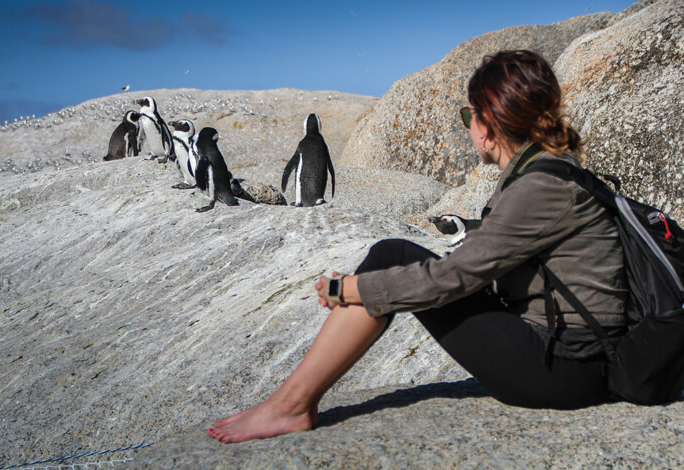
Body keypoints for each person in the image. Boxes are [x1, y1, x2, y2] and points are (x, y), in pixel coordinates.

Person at [207, 50, 628, 444]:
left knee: (393, 255)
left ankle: (291, 405)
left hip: (570, 366)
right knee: (394, 260)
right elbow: (484, 263)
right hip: (573, 352)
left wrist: (350, 290)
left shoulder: (541, 186)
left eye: (470, 115)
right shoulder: (549, 173)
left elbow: (454, 278)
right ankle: (291, 402)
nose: (469, 128)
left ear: (490, 125)